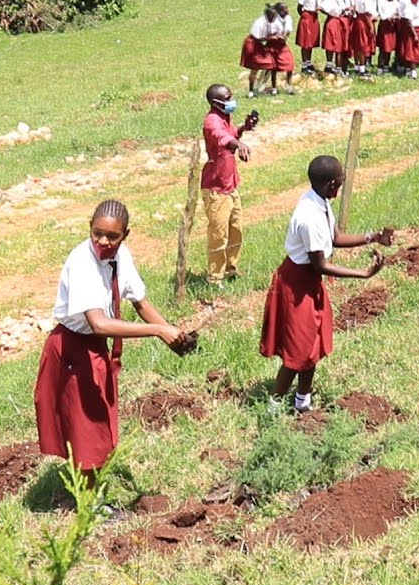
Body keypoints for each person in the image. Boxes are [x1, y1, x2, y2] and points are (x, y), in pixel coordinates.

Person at [35, 201, 185, 482]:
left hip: (95, 348)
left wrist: (172, 333)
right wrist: (157, 331)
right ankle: (90, 504)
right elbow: (99, 324)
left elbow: (139, 301)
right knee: (87, 430)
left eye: (112, 236)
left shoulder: (121, 256)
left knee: (100, 419)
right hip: (73, 349)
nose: (103, 241)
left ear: (125, 235)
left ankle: (93, 488)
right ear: (89, 228)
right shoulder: (82, 262)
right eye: (97, 233)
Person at [260, 156, 394, 413]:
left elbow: (335, 238)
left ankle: (303, 402)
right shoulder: (308, 216)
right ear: (331, 184)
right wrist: (364, 274)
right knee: (297, 351)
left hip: (309, 282)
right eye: (340, 182)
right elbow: (320, 265)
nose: (341, 187)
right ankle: (272, 408)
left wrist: (373, 237)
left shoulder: (319, 201)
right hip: (295, 285)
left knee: (312, 342)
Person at [200, 85, 258, 287]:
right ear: (216, 103)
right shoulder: (211, 122)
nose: (231, 101)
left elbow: (232, 134)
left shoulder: (225, 118)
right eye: (228, 98)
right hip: (216, 189)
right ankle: (215, 278)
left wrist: (244, 129)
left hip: (231, 184)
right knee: (218, 235)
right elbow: (222, 138)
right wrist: (239, 145)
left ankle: (231, 270)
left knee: (236, 230)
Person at [240, 6, 278, 97]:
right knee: (255, 68)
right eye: (273, 16)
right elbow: (258, 37)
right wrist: (270, 38)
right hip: (253, 45)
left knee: (271, 64)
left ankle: (264, 86)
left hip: (259, 45)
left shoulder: (269, 22)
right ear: (268, 15)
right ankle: (251, 91)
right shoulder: (260, 23)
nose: (275, 18)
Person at [296, 0, 325, 74]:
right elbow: (299, 7)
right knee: (305, 43)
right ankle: (304, 65)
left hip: (314, 17)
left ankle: (309, 63)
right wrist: (304, 16)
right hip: (307, 17)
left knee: (312, 42)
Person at [350, 0, 378, 76]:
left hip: (364, 20)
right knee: (362, 45)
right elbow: (366, 14)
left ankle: (359, 66)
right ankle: (361, 68)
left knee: (361, 44)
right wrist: (370, 26)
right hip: (364, 21)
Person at [268, 3, 297, 95]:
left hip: (282, 44)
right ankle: (274, 88)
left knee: (290, 63)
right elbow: (271, 32)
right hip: (273, 44)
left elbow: (288, 30)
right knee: (274, 67)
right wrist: (278, 36)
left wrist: (284, 36)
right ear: (280, 11)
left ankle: (289, 86)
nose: (287, 10)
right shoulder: (274, 20)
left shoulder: (288, 18)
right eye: (285, 9)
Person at [376, 0, 402, 74]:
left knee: (391, 46)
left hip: (393, 26)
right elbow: (382, 15)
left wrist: (396, 15)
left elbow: (399, 10)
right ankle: (380, 67)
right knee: (384, 47)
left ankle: (387, 65)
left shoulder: (394, 0)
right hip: (385, 26)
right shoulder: (381, 1)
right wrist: (391, 16)